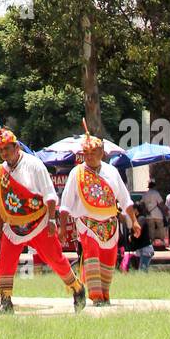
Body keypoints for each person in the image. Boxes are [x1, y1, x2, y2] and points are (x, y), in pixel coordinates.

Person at [0, 112, 86, 314]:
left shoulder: (34, 165)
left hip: (38, 221)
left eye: (7, 148)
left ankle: (77, 288)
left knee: (55, 259)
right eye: (1, 150)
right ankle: (5, 301)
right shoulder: (0, 171)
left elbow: (50, 195)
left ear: (16, 147)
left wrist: (52, 219)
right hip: (13, 225)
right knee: (5, 262)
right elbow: (0, 202)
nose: (5, 153)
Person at [60, 128, 140, 306]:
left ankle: (105, 294)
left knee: (108, 260)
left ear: (102, 153)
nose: (89, 156)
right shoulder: (77, 173)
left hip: (110, 224)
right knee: (92, 257)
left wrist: (134, 221)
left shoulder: (112, 171)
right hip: (87, 223)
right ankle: (96, 297)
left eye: (93, 152)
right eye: (85, 153)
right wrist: (63, 227)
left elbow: (125, 199)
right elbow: (65, 203)